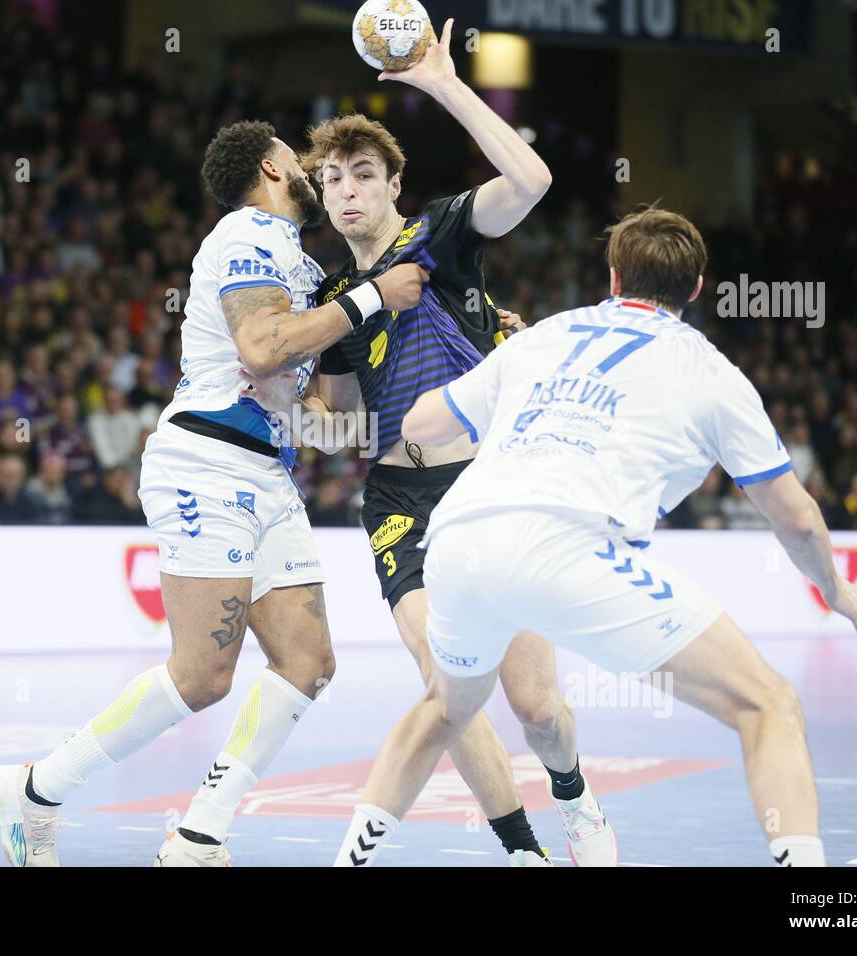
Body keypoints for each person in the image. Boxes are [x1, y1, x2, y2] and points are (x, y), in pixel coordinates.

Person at [333, 206, 857, 868]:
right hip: (572, 549)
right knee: (768, 703)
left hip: (457, 539)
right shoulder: (712, 372)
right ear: (699, 288)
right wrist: (835, 587)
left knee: (445, 709)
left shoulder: (544, 337)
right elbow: (794, 517)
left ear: (614, 276)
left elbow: (418, 423)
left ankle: (349, 861)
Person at [0, 119, 427, 867]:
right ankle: (34, 791)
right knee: (202, 676)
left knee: (308, 662)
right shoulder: (244, 234)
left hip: (269, 473)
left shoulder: (305, 269)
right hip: (208, 464)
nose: (317, 170)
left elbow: (328, 425)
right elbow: (259, 348)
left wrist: (403, 362)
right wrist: (370, 299)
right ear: (270, 167)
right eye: (300, 157)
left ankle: (199, 833)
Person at [263, 20, 606, 865]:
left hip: (491, 491)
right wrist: (285, 388)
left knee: (539, 710)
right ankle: (523, 852)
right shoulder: (338, 297)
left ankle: (575, 796)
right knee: (447, 693)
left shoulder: (442, 233)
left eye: (364, 174)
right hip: (400, 502)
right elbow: (338, 423)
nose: (346, 191)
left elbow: (531, 177)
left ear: (393, 184)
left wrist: (443, 85)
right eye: (331, 178)